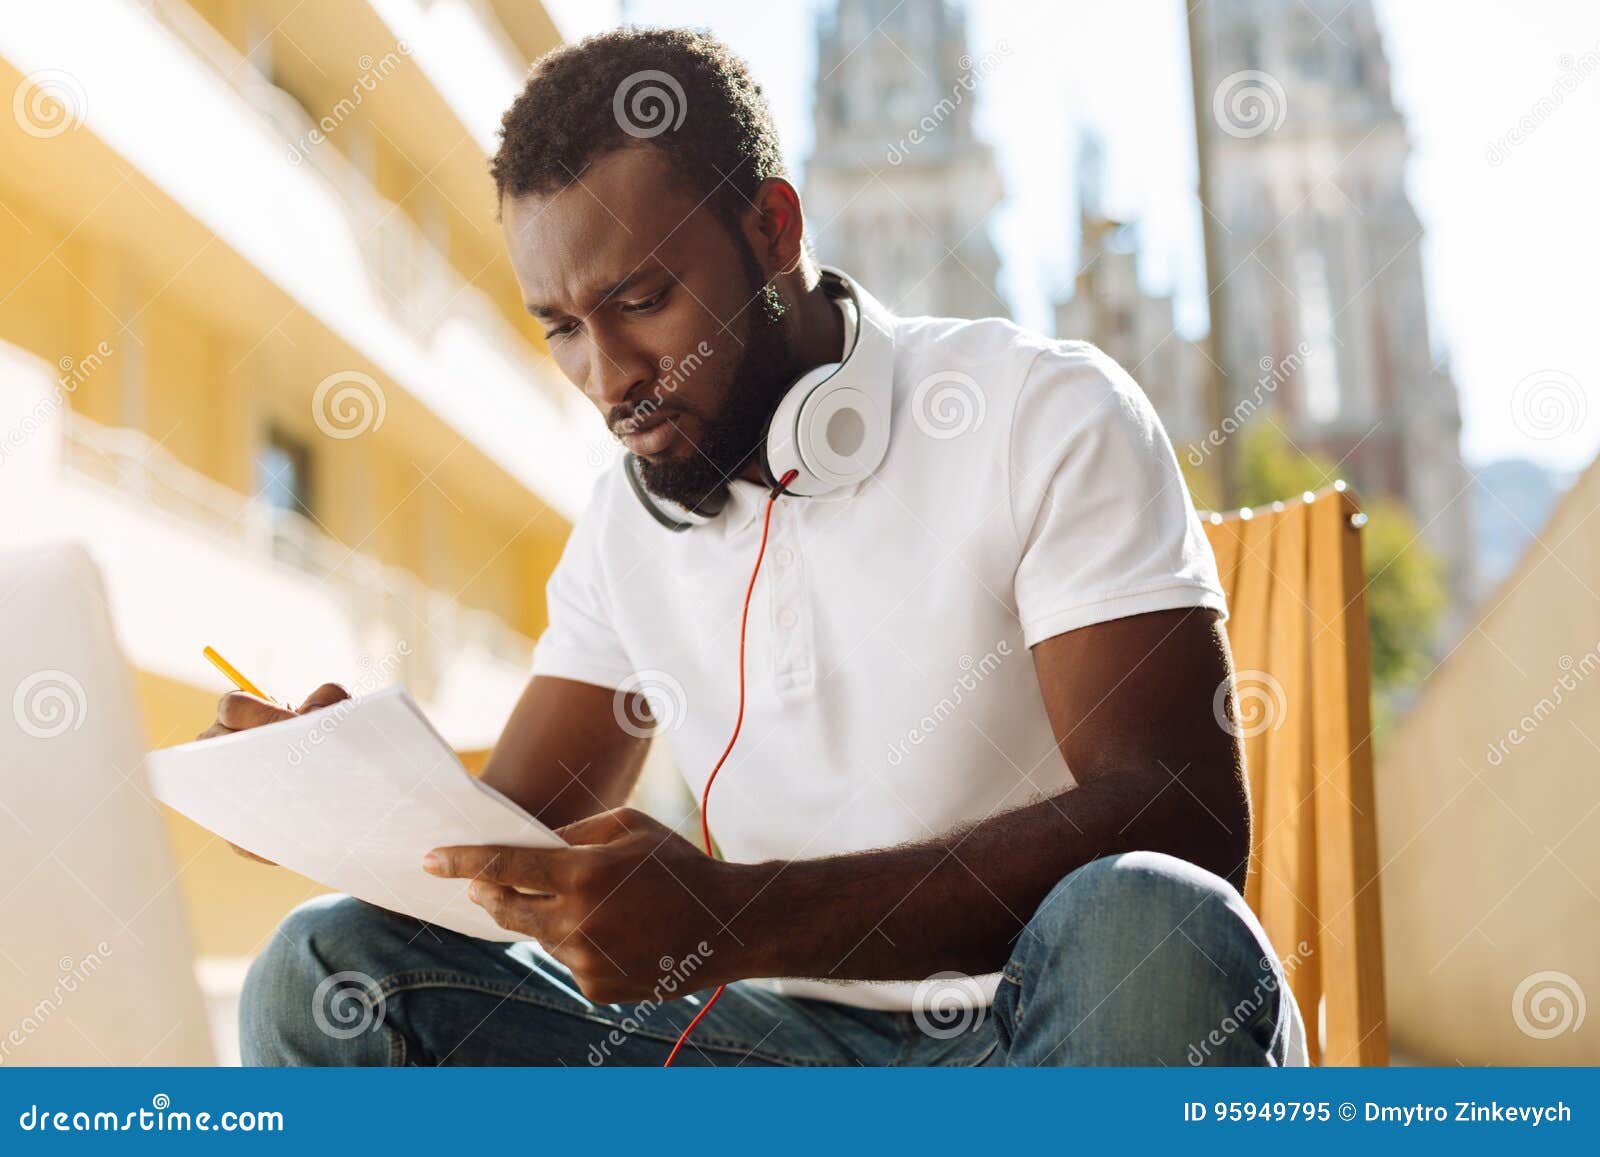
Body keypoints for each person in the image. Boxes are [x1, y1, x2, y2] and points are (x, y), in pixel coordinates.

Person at [207, 27, 1305, 1067]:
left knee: (1151, 924)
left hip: (1037, 1036)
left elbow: (1181, 813)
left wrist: (741, 916)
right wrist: (334, 799)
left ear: (772, 228)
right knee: (326, 964)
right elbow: (512, 835)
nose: (608, 376)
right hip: (776, 1051)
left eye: (640, 300)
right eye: (560, 327)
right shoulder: (622, 524)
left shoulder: (1039, 407)